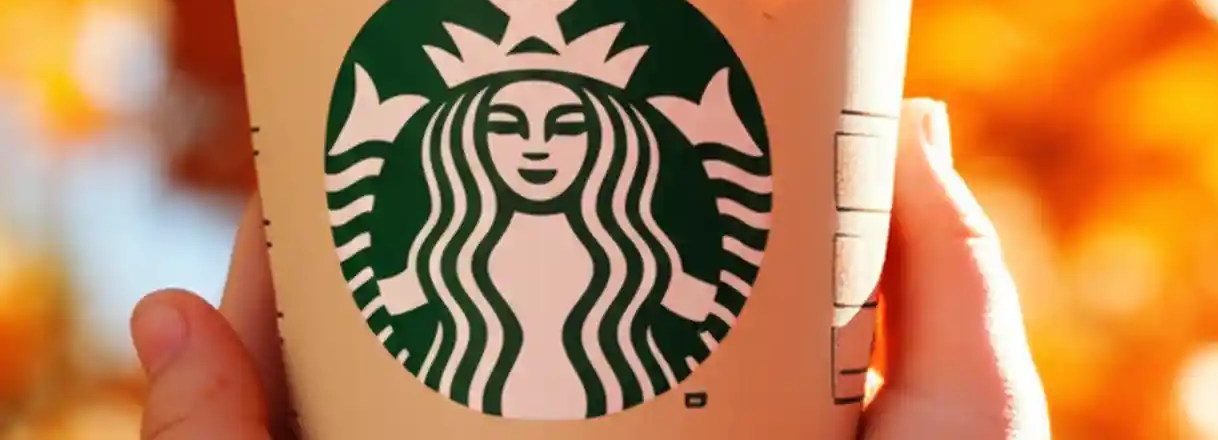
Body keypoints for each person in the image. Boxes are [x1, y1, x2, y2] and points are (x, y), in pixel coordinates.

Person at [130, 100, 1052, 439]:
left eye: (567, 124)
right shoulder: (440, 276)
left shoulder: (648, 278)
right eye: (507, 125)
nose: (537, 148)